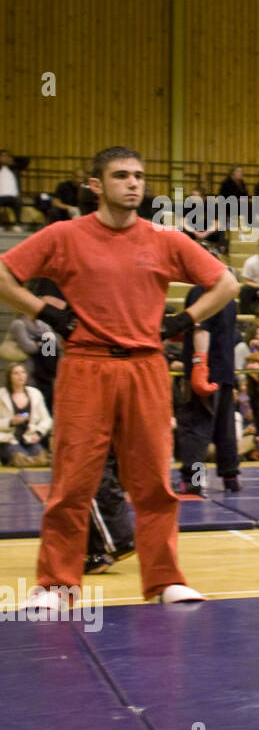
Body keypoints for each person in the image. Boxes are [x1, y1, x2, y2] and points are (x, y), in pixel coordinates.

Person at [0, 145, 238, 609]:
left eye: (139, 176)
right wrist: (46, 312)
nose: (133, 183)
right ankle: (56, 584)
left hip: (146, 367)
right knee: (71, 482)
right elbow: (4, 273)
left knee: (153, 483)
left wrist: (183, 320)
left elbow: (226, 283)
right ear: (96, 185)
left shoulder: (164, 238)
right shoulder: (65, 234)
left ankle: (164, 580)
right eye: (121, 175)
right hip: (85, 366)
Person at [175, 279, 242, 496]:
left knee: (196, 428)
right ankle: (231, 477)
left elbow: (201, 329)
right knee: (225, 428)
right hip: (225, 371)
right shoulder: (229, 297)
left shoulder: (200, 291)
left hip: (207, 370)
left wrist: (199, 364)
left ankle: (193, 480)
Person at [0, 362, 52, 466]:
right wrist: (10, 422)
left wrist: (39, 432)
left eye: (23, 372)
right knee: (21, 459)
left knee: (41, 459)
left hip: (29, 438)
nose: (20, 376)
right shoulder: (2, 395)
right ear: (9, 376)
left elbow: (46, 419)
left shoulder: (35, 394)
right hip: (8, 438)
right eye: (16, 373)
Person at [0, 150, 30, 228]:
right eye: (3, 156)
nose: (5, 158)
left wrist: (12, 159)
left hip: (13, 196)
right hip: (1, 196)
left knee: (18, 202)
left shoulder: (14, 168)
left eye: (7, 156)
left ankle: (17, 224)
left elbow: (26, 160)